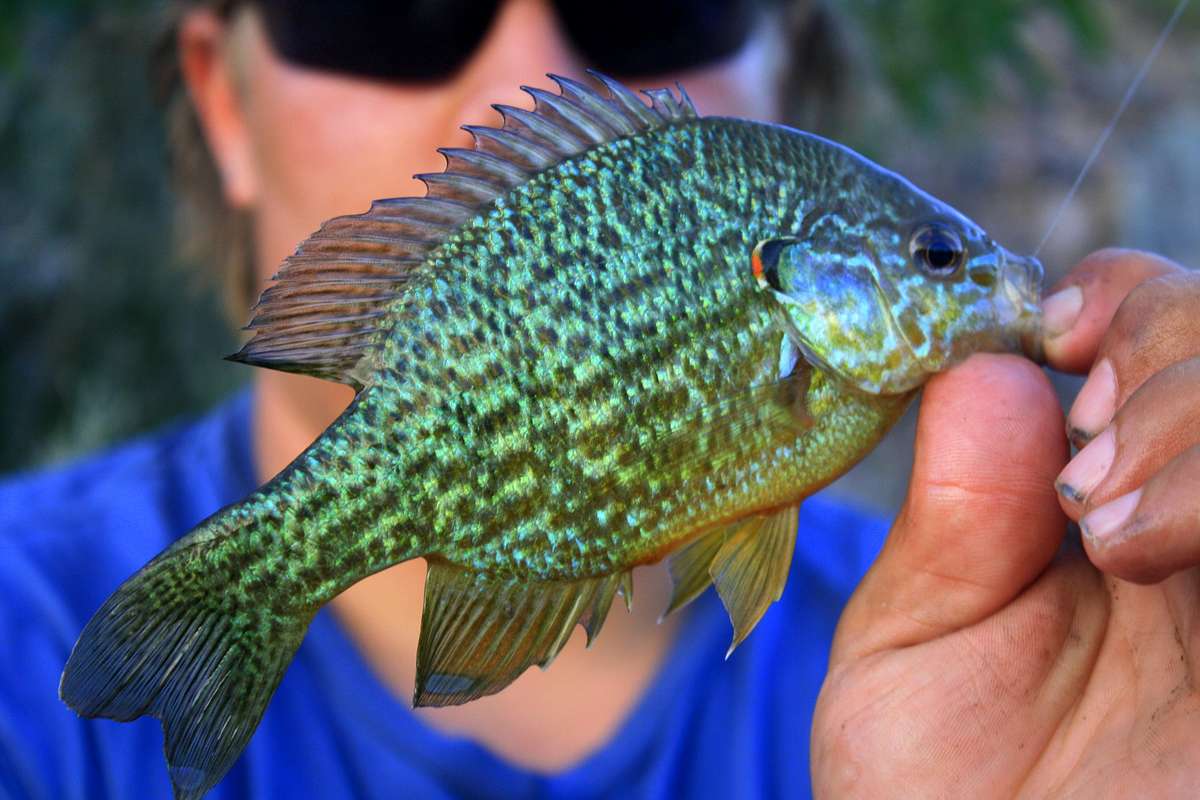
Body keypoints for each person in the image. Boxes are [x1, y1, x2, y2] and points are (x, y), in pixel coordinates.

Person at [2, 1, 1197, 797]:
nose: (529, 71)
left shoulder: (1015, 669)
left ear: (792, 53)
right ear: (219, 97)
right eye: (389, 5)